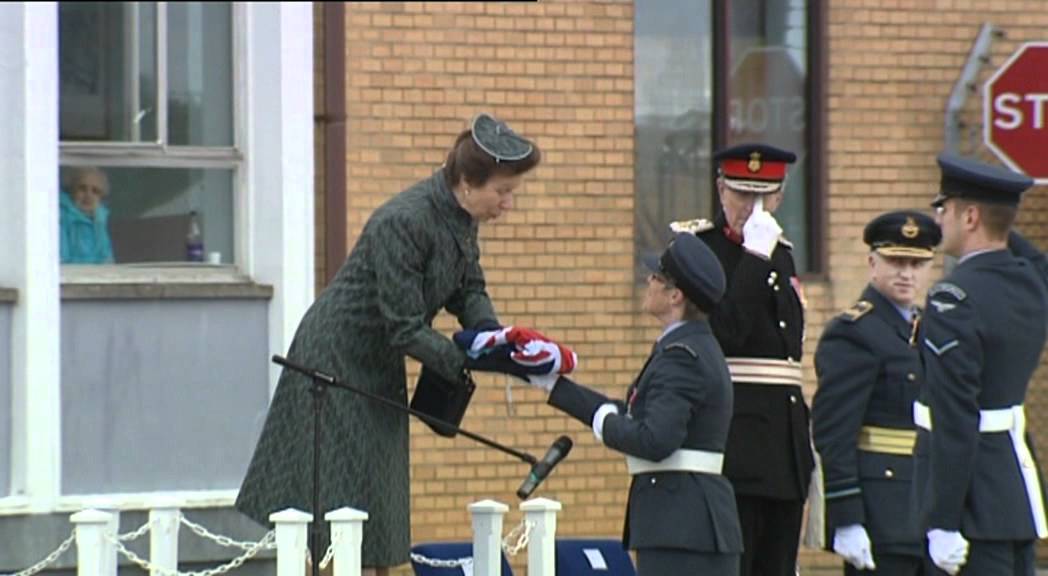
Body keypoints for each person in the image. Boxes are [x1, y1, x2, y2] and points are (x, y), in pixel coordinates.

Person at [235, 113, 565, 575]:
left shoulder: (460, 218)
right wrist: (466, 358)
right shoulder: (404, 221)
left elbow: (468, 289)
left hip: (379, 363)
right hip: (333, 362)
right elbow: (405, 327)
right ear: (468, 183)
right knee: (337, 505)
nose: (507, 204)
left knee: (380, 501)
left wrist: (494, 340)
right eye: (503, 192)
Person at [517, 232, 742, 575]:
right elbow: (635, 415)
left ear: (675, 296)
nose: (648, 282)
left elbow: (654, 439)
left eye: (656, 277)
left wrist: (605, 422)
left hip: (682, 527)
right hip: (684, 523)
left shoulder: (683, 357)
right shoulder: (685, 348)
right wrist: (554, 386)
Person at [670, 143, 812, 575]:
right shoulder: (701, 250)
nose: (753, 207)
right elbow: (724, 333)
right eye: (741, 193)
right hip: (738, 445)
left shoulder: (781, 252)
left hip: (783, 451)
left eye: (765, 196)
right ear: (719, 190)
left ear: (780, 197)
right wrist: (752, 257)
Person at [913, 153, 1047, 576]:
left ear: (969, 216)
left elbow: (955, 416)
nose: (938, 218)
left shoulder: (953, 298)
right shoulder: (1029, 282)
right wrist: (1001, 219)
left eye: (944, 208)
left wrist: (944, 521)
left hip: (971, 506)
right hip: (1012, 494)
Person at [812, 211, 941, 575]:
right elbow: (833, 432)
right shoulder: (855, 332)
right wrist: (847, 518)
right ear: (872, 263)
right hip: (881, 513)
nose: (907, 273)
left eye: (917, 263)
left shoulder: (932, 330)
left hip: (931, 512)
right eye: (896, 261)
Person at [60, 166, 114, 264]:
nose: (88, 195)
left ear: (101, 197)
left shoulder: (100, 220)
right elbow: (62, 263)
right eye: (82, 188)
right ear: (71, 191)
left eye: (95, 191)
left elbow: (107, 260)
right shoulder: (60, 218)